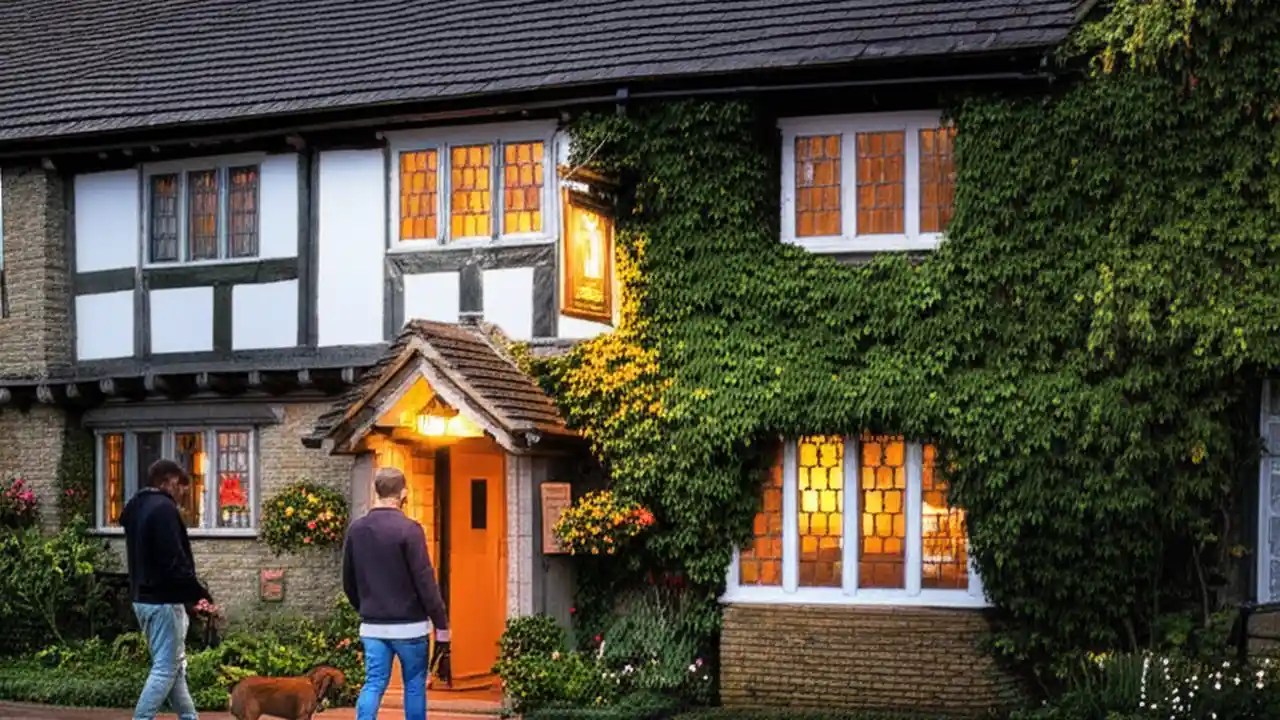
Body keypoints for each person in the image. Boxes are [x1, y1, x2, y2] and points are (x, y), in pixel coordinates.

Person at [343, 467, 451, 720]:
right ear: (403, 493)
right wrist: (442, 626)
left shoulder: (356, 530)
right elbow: (426, 583)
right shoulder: (410, 530)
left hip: (372, 626)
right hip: (410, 627)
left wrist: (366, 608)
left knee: (373, 683)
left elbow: (348, 581)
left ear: (375, 491)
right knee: (413, 685)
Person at [121, 458, 212, 720]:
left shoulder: (137, 508)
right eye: (181, 485)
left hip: (143, 599)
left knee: (175, 667)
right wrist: (200, 595)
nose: (183, 492)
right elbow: (174, 560)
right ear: (167, 482)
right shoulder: (163, 509)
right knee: (165, 669)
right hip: (163, 601)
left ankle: (189, 717)